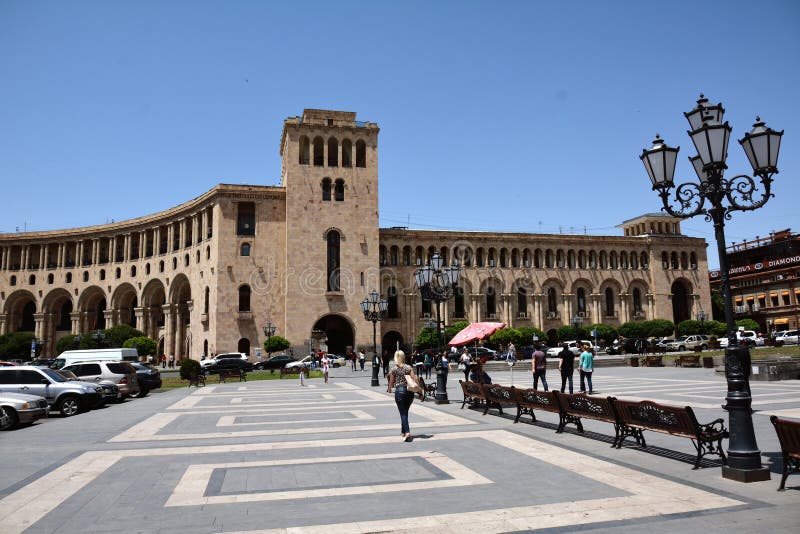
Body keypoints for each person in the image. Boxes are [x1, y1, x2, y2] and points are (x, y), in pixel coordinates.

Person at [387, 350, 418, 442]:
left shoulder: (394, 369)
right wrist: (419, 392)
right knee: (405, 412)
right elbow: (414, 379)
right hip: (409, 392)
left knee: (403, 413)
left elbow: (391, 383)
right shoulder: (408, 368)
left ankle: (407, 433)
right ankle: (403, 431)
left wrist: (389, 389)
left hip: (399, 392)